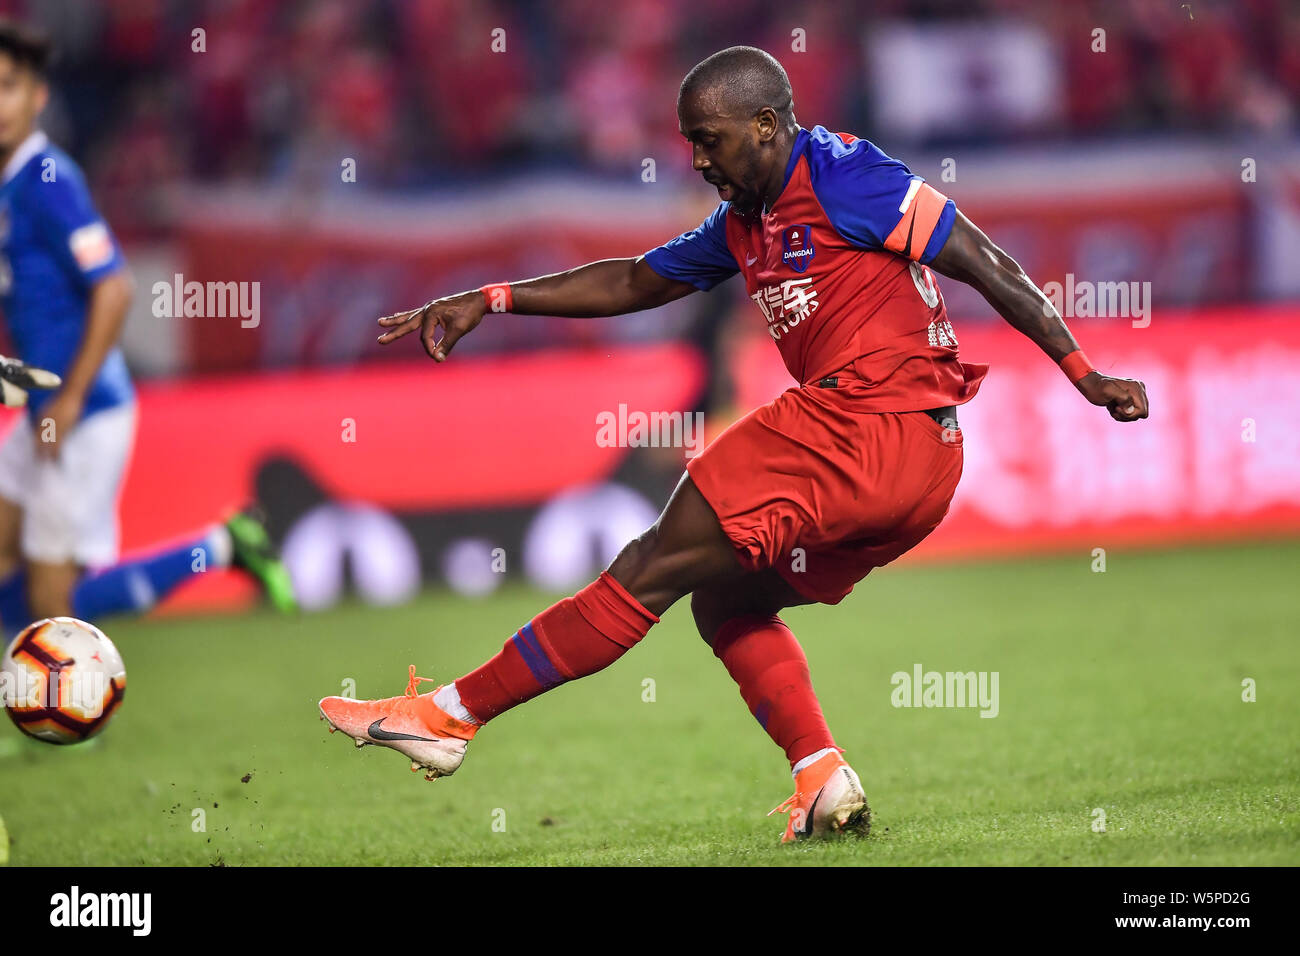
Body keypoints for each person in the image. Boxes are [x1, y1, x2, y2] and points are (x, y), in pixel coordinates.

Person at [319, 46, 1148, 843]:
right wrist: (493, 298)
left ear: (763, 124)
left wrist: (1083, 373)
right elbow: (638, 280)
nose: (697, 161)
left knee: (648, 566)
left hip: (862, 424)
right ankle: (821, 776)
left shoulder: (843, 172)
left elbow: (984, 258)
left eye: (707, 142)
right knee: (728, 600)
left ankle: (448, 718)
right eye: (688, 144)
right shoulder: (742, 219)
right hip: (922, 469)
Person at [0, 20, 295, 640]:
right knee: (12, 572)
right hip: (43, 409)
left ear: (38, 97)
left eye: (8, 87)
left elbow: (115, 284)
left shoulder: (49, 180)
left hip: (83, 409)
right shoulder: (11, 185)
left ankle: (67, 722)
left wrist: (72, 396)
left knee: (55, 602)